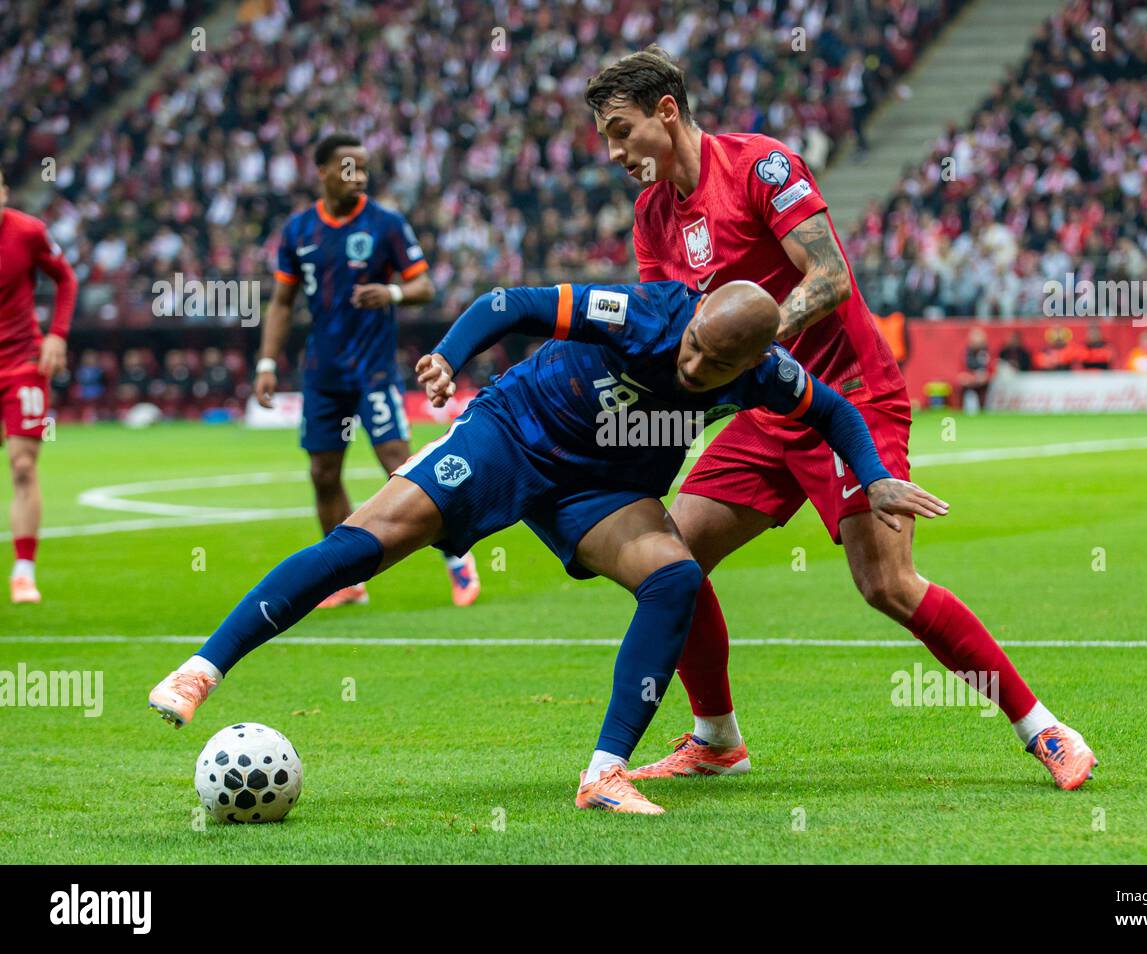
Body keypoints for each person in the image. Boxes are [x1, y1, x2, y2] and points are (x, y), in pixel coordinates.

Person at [147, 279, 948, 814]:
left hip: (603, 487)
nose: (694, 362)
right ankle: (201, 668)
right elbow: (512, 303)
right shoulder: (646, 315)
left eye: (714, 363)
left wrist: (873, 476)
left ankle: (604, 772)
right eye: (696, 343)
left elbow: (838, 412)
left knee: (674, 579)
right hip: (515, 431)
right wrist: (448, 357)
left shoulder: (767, 375)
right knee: (371, 539)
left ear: (751, 363)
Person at [586, 47, 1096, 791]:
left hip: (847, 392)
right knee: (673, 560)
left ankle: (1045, 729)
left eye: (623, 130)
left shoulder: (761, 167)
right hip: (765, 410)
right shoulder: (652, 216)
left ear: (668, 110)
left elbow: (829, 277)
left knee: (887, 583)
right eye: (606, 138)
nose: (615, 152)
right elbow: (670, 332)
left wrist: (753, 339)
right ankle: (717, 738)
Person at [256, 133, 480, 608]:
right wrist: (267, 362)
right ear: (321, 171)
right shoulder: (298, 231)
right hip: (322, 373)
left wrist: (391, 293)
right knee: (322, 472)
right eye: (347, 167)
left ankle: (457, 558)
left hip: (373, 369)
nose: (358, 175)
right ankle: (345, 580)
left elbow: (422, 286)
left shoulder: (386, 224)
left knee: (400, 464)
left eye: (362, 167)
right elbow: (281, 303)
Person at [0, 167, 78, 604]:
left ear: (5, 191)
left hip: (22, 362)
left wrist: (57, 333)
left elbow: (65, 278)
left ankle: (23, 572)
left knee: (23, 465)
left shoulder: (28, 232)